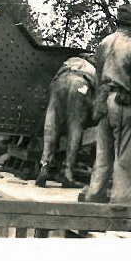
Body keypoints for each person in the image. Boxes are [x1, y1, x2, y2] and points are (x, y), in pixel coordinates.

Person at [84, 4, 131, 205]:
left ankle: (94, 194)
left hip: (103, 100)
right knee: (124, 155)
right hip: (123, 102)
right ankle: (121, 200)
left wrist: (99, 99)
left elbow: (97, 72)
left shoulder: (105, 42)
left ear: (117, 22)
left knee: (102, 152)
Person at [35, 55, 96, 188]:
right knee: (75, 128)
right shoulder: (93, 70)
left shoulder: (71, 60)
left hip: (59, 82)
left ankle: (44, 167)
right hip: (81, 85)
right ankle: (68, 174)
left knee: (51, 124)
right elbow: (94, 105)